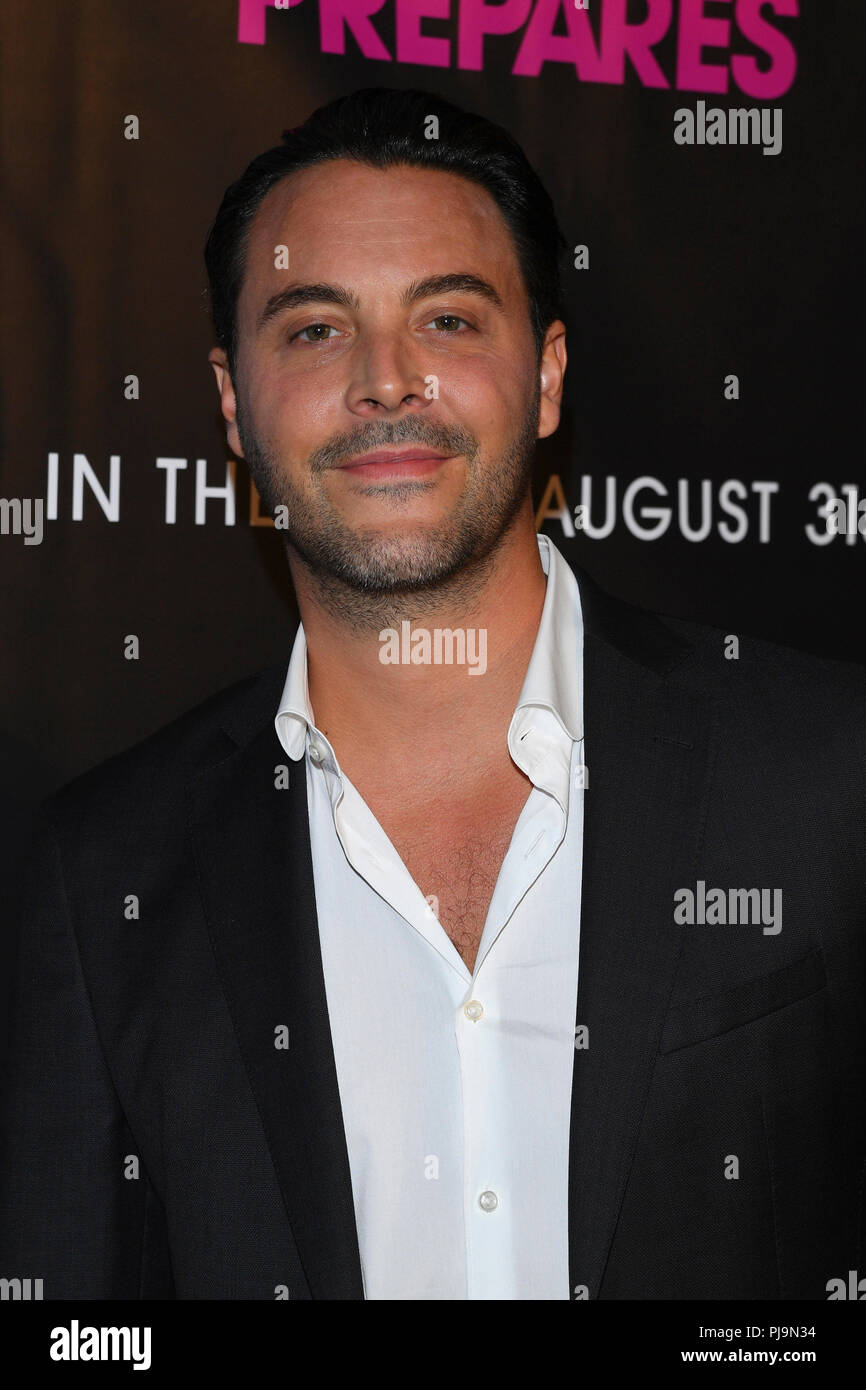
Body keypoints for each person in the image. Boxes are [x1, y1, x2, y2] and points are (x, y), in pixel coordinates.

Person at [1, 87, 863, 1301]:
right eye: (313, 329)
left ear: (548, 374)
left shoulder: (826, 774)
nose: (386, 382)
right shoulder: (105, 879)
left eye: (447, 318)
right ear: (233, 403)